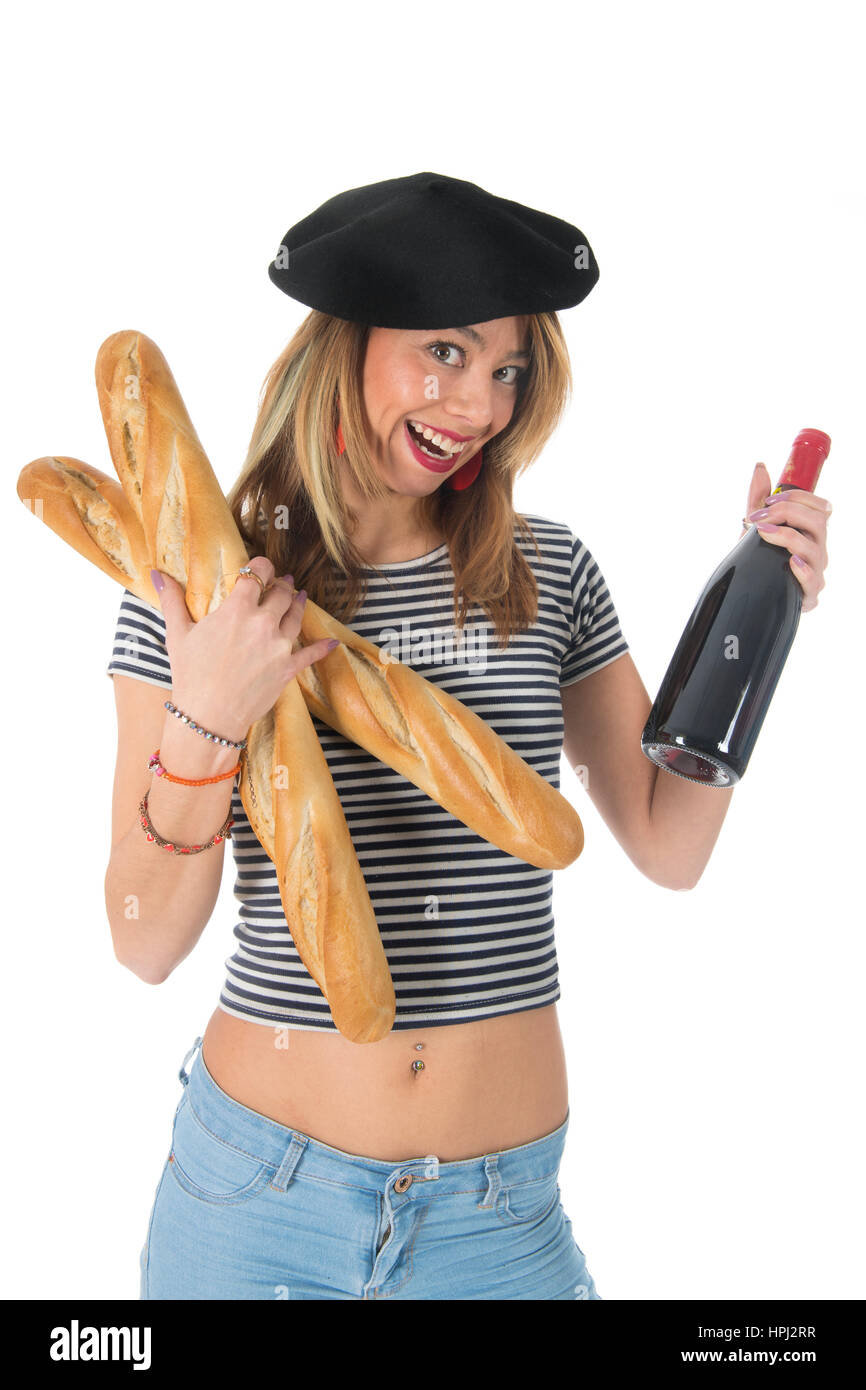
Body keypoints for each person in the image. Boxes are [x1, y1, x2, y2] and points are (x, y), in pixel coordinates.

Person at [104, 173, 831, 1300]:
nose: (477, 405)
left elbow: (666, 844)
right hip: (257, 1202)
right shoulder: (201, 586)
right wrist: (209, 712)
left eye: (505, 370)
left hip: (498, 1222)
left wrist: (747, 626)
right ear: (341, 345)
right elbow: (143, 936)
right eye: (442, 352)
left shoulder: (547, 574)